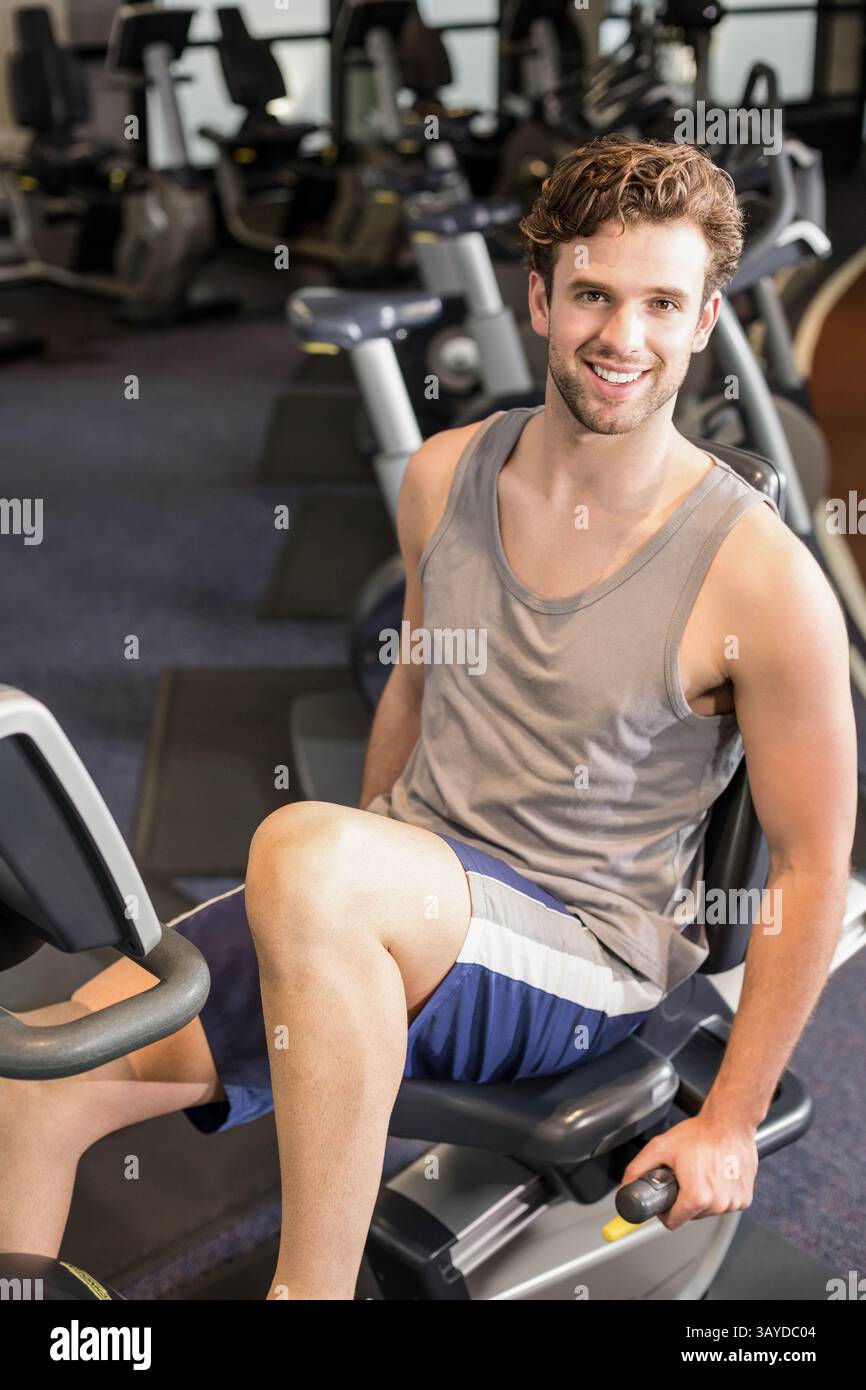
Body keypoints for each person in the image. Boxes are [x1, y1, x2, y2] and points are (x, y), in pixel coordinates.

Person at [0, 136, 856, 1301]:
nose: (623, 338)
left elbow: (810, 865)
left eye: (661, 303)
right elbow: (413, 682)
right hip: (410, 890)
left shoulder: (762, 581)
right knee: (33, 1083)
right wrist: (338, 921)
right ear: (541, 299)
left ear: (705, 318)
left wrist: (729, 1122)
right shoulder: (443, 475)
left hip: (585, 953)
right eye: (595, 295)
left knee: (305, 852)